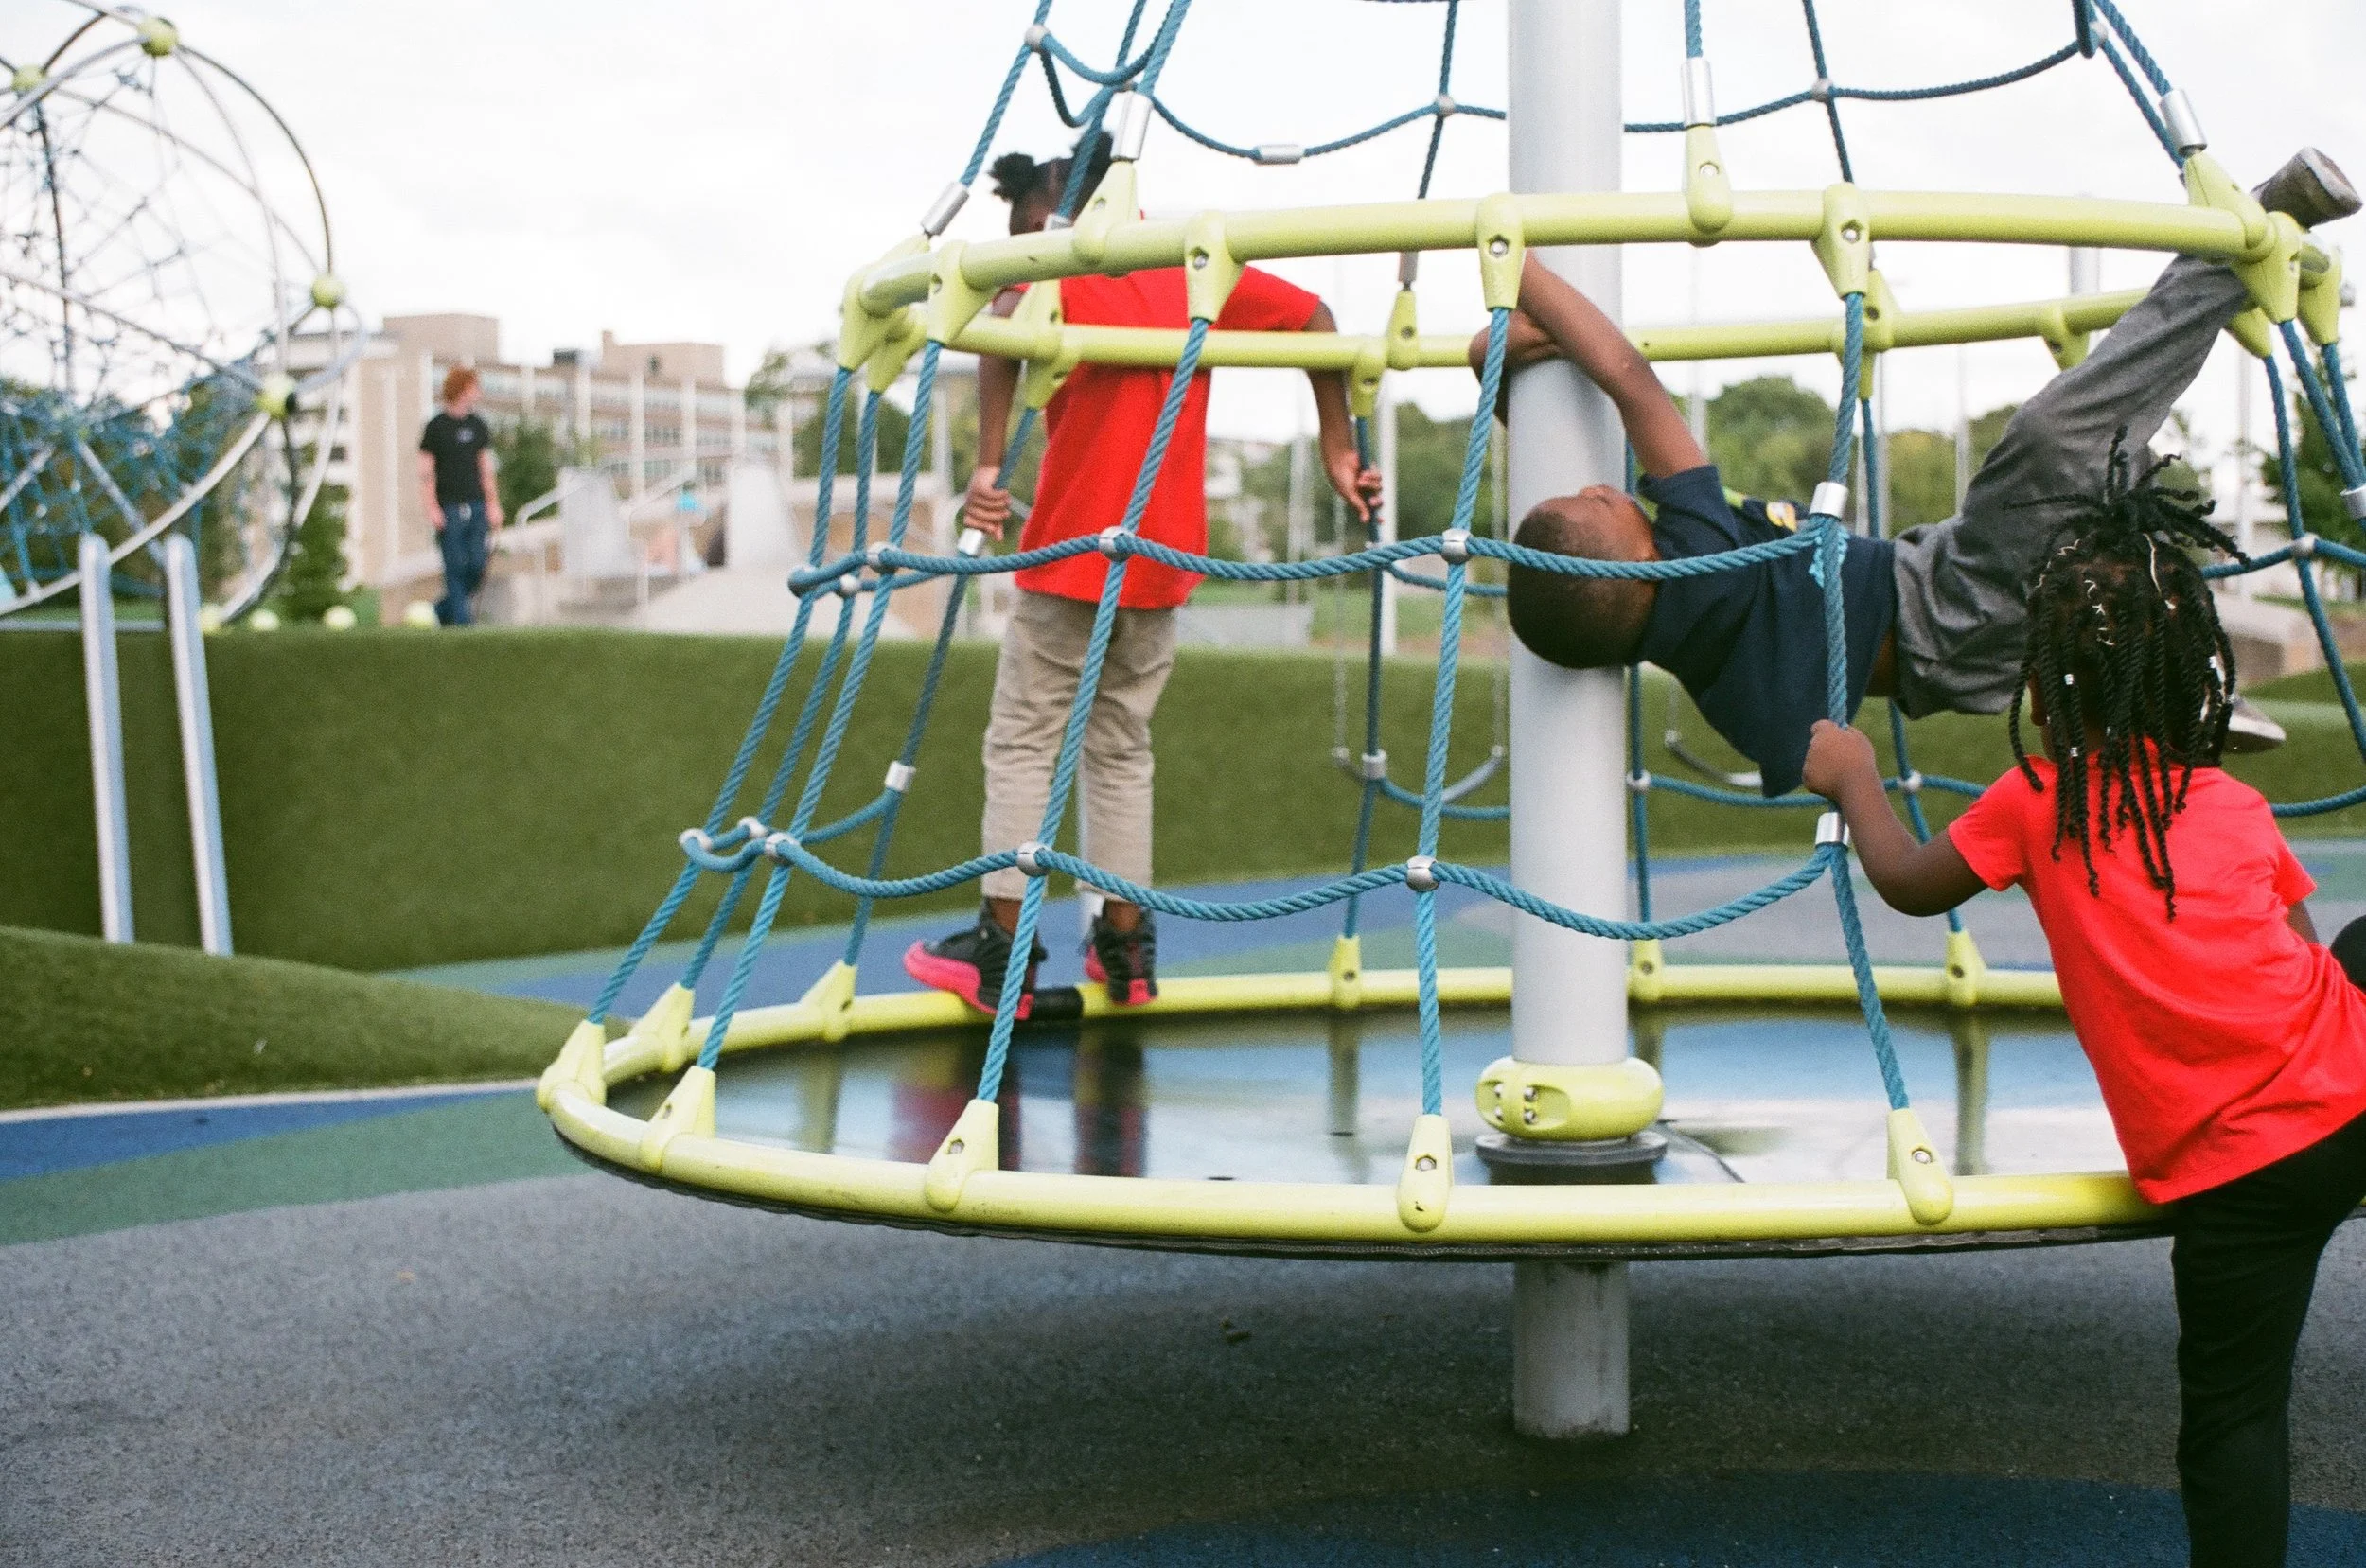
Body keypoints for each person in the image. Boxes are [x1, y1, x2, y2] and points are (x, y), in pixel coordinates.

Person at [1800, 456, 2366, 1568]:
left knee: (2234, 1419)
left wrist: (1854, 774)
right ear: (2193, 678)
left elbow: (1910, 883)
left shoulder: (2033, 802)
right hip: (2351, 1090)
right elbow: (2302, 962)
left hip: (2243, 1178)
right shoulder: (2230, 799)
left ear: (2046, 682)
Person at [1492, 149, 2359, 798]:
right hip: (1942, 593)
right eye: (1593, 496)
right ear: (1641, 542)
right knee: (2060, 442)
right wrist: (1513, 270)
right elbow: (1632, 382)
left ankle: (2167, 698)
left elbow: (1793, 755)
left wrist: (1497, 373)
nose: (1599, 483)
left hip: (1952, 671)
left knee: (2091, 556)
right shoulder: (1700, 547)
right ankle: (2230, 256)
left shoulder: (1693, 652)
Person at [904, 137, 1381, 1014]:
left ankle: (1000, 952)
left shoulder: (1061, 264)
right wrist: (1337, 443)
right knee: (1121, 749)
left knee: (1024, 742)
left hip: (1071, 552)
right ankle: (1126, 951)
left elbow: (1001, 316)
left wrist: (987, 464)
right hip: (1162, 561)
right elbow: (1317, 319)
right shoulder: (1187, 262)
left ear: (1057, 213)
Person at [417, 366, 503, 626]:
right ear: (461, 389)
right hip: (449, 507)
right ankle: (464, 627)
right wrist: (432, 508)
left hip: (476, 505)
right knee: (454, 566)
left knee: (477, 563)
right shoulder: (436, 427)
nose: (477, 392)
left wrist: (493, 504)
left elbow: (485, 469)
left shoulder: (477, 426)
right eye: (473, 387)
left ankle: (442, 611)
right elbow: (425, 472)